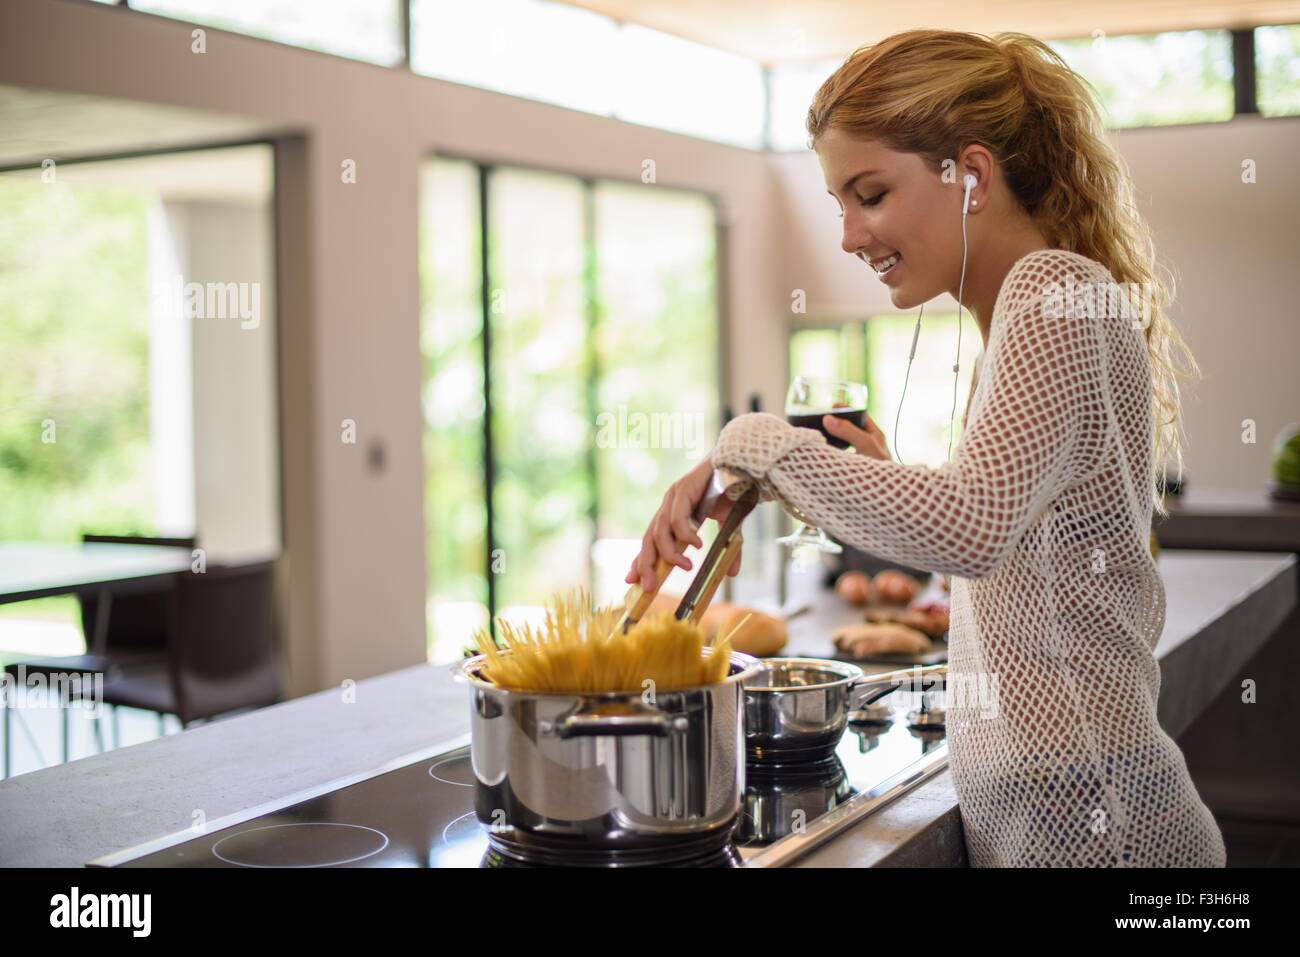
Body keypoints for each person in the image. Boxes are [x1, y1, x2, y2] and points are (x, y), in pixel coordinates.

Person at [627, 30, 1221, 867]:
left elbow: (971, 526)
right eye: (839, 201)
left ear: (969, 176)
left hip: (1103, 830)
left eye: (868, 193)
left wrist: (751, 442)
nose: (846, 235)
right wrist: (882, 480)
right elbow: (1020, 562)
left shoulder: (1053, 293)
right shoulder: (1036, 304)